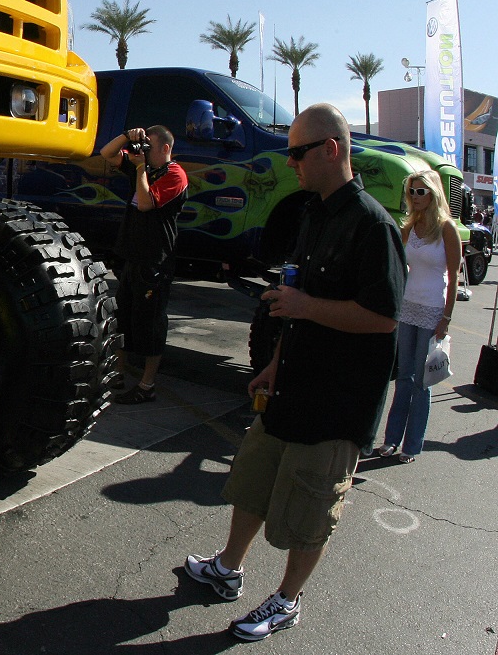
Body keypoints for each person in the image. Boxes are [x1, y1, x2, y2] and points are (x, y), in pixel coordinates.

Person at [184, 103, 405, 642]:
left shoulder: (373, 226)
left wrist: (306, 307)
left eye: (297, 152)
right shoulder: (314, 214)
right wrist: (273, 367)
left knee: (309, 509)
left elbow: (382, 318)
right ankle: (227, 568)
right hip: (291, 387)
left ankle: (286, 601)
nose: (290, 163)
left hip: (337, 403)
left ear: (331, 148)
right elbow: (297, 303)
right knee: (253, 483)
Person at [97, 125, 188, 404]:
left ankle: (147, 385)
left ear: (166, 149)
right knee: (123, 318)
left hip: (155, 259)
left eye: (150, 147)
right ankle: (118, 373)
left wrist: (139, 169)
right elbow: (106, 153)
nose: (144, 152)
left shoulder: (174, 174)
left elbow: (147, 203)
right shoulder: (146, 167)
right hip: (133, 256)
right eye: (143, 146)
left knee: (150, 324)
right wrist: (128, 136)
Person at [376, 171, 459, 464]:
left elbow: (454, 277)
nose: (415, 196)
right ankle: (390, 440)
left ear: (434, 193)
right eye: (412, 191)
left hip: (432, 310)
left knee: (423, 383)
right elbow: (398, 265)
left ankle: (411, 445)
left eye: (421, 191)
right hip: (407, 309)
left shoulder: (447, 229)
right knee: (403, 377)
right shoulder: (409, 227)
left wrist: (446, 318)